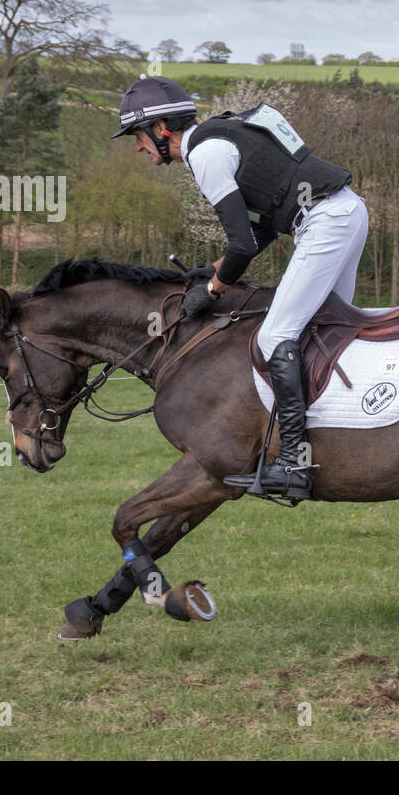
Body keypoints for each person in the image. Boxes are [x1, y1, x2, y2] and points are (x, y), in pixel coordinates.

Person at [112, 76, 369, 499]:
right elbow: (265, 225)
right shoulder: (219, 136)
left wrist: (212, 289)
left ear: (160, 130)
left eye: (137, 137)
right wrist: (211, 270)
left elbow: (242, 244)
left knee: (274, 336)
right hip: (344, 212)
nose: (137, 147)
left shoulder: (206, 154)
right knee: (327, 327)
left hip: (327, 222)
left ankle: (292, 465)